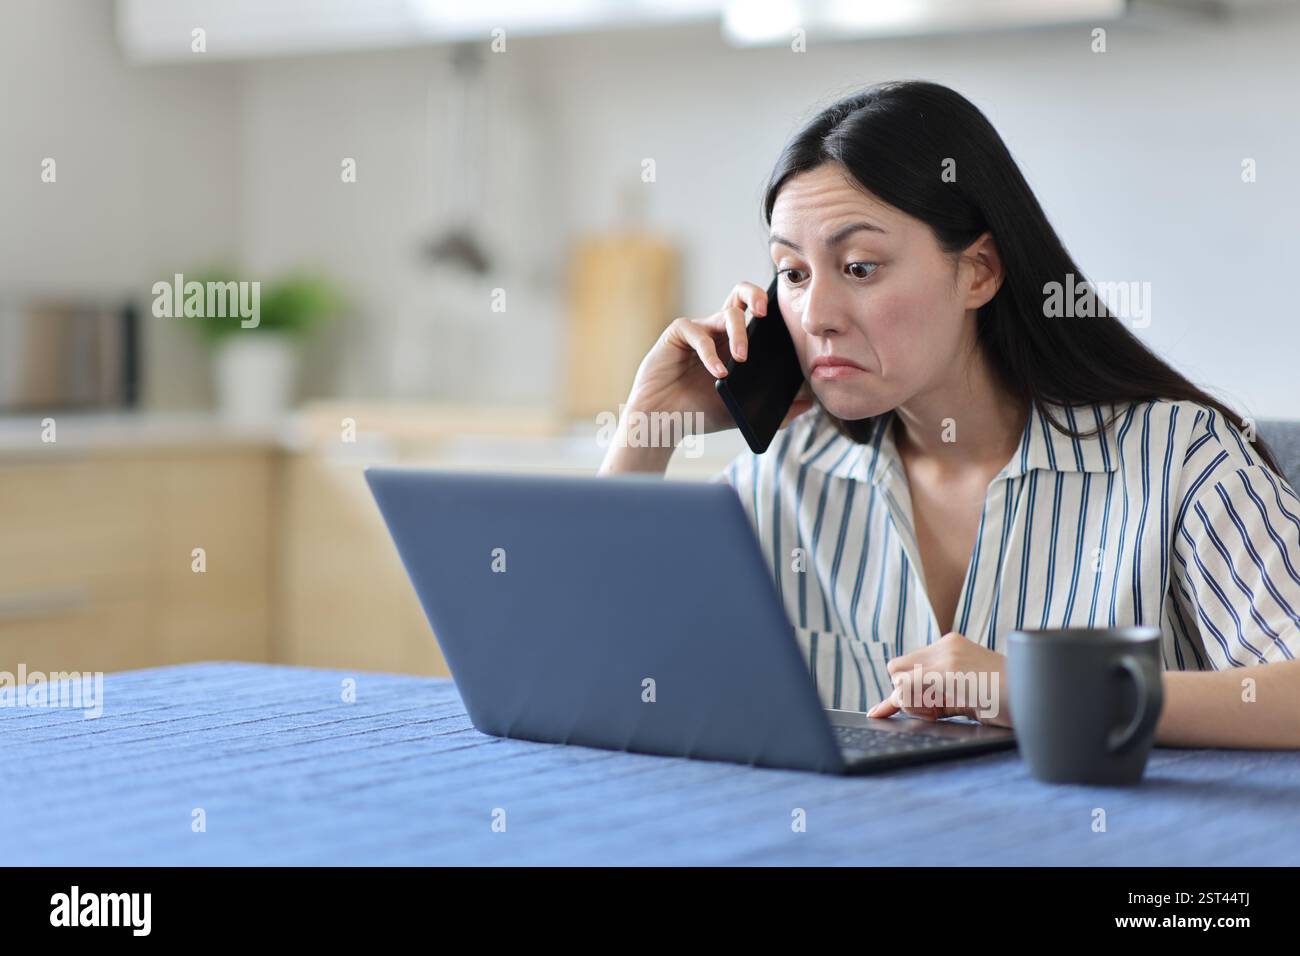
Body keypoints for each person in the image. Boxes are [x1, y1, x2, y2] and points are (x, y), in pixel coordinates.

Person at [598, 80, 1300, 749]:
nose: (815, 316)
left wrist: (1044, 690)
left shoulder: (1182, 459)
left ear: (979, 271)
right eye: (793, 273)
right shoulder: (781, 478)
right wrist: (646, 427)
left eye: (860, 267)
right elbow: (601, 680)